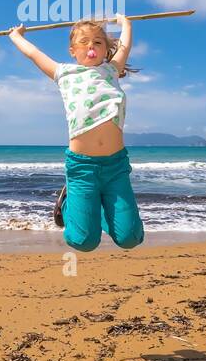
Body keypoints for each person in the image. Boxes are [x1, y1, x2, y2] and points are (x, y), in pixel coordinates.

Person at [8, 13, 144, 251]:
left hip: (116, 167)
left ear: (105, 50)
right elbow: (34, 54)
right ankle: (67, 202)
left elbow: (124, 46)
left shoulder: (111, 70)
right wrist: (16, 36)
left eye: (98, 42)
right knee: (83, 242)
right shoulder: (64, 73)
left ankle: (100, 209)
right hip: (82, 168)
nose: (91, 46)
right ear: (73, 50)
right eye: (84, 41)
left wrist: (126, 24)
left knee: (130, 238)